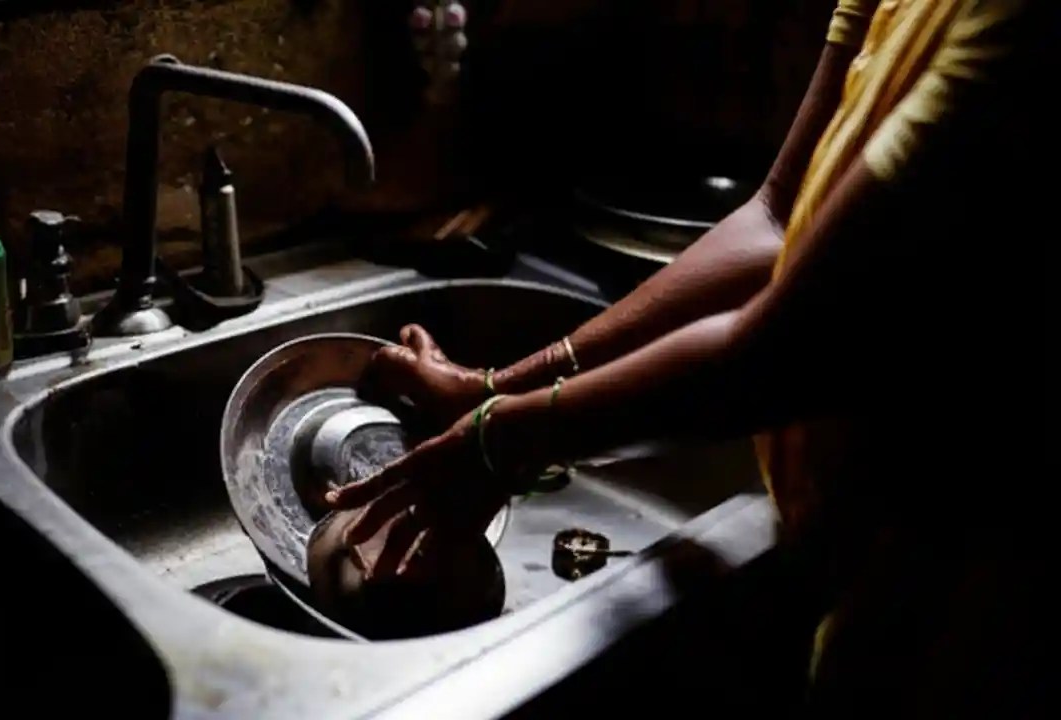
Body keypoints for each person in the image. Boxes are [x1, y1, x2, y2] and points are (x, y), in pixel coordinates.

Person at [326, 0, 1049, 715]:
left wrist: (500, 437)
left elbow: (779, 351)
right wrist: (495, 388)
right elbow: (776, 219)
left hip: (978, 596)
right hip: (854, 553)